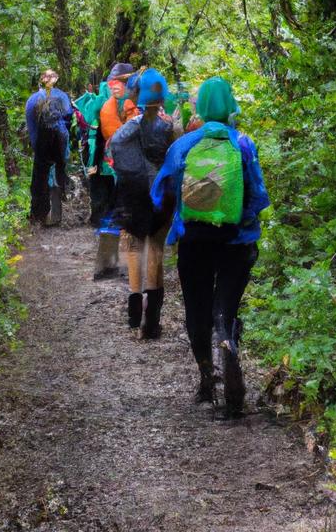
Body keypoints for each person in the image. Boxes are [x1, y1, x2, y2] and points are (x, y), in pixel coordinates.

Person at [150, 76, 269, 417]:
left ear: (200, 108)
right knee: (224, 311)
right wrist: (236, 220)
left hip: (194, 241)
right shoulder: (244, 144)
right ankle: (228, 347)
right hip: (237, 243)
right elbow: (259, 197)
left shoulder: (184, 145)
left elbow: (162, 192)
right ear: (231, 105)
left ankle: (206, 378)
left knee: (196, 311)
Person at [108, 68, 175, 339]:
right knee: (156, 249)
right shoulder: (168, 127)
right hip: (160, 196)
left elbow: (113, 151)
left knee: (134, 248)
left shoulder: (127, 130)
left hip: (132, 197)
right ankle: (153, 316)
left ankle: (135, 312)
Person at [74, 63, 138, 278]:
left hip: (108, 165)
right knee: (119, 211)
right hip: (113, 167)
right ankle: (117, 266)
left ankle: (109, 265)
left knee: (112, 212)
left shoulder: (116, 101)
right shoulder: (127, 102)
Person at [24, 69, 73, 226]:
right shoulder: (62, 97)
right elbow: (68, 119)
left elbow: (30, 124)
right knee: (57, 176)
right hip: (58, 143)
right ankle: (55, 216)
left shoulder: (32, 99)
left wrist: (35, 143)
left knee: (40, 177)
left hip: (40, 145)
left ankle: (39, 215)